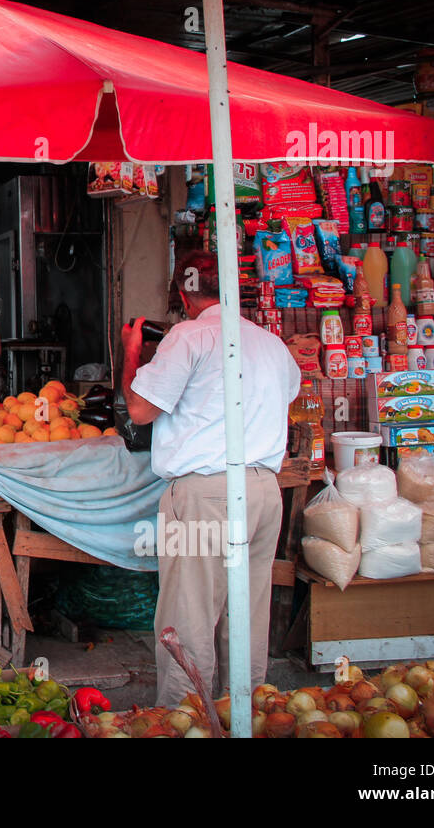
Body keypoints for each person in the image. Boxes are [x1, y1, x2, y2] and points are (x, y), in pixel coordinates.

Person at [120, 250, 300, 708]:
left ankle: (187, 719)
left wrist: (131, 354)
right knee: (246, 614)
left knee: (190, 613)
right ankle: (246, 713)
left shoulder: (188, 336)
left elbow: (140, 411)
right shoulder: (271, 344)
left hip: (205, 495)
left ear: (183, 294)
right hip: (263, 492)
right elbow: (289, 395)